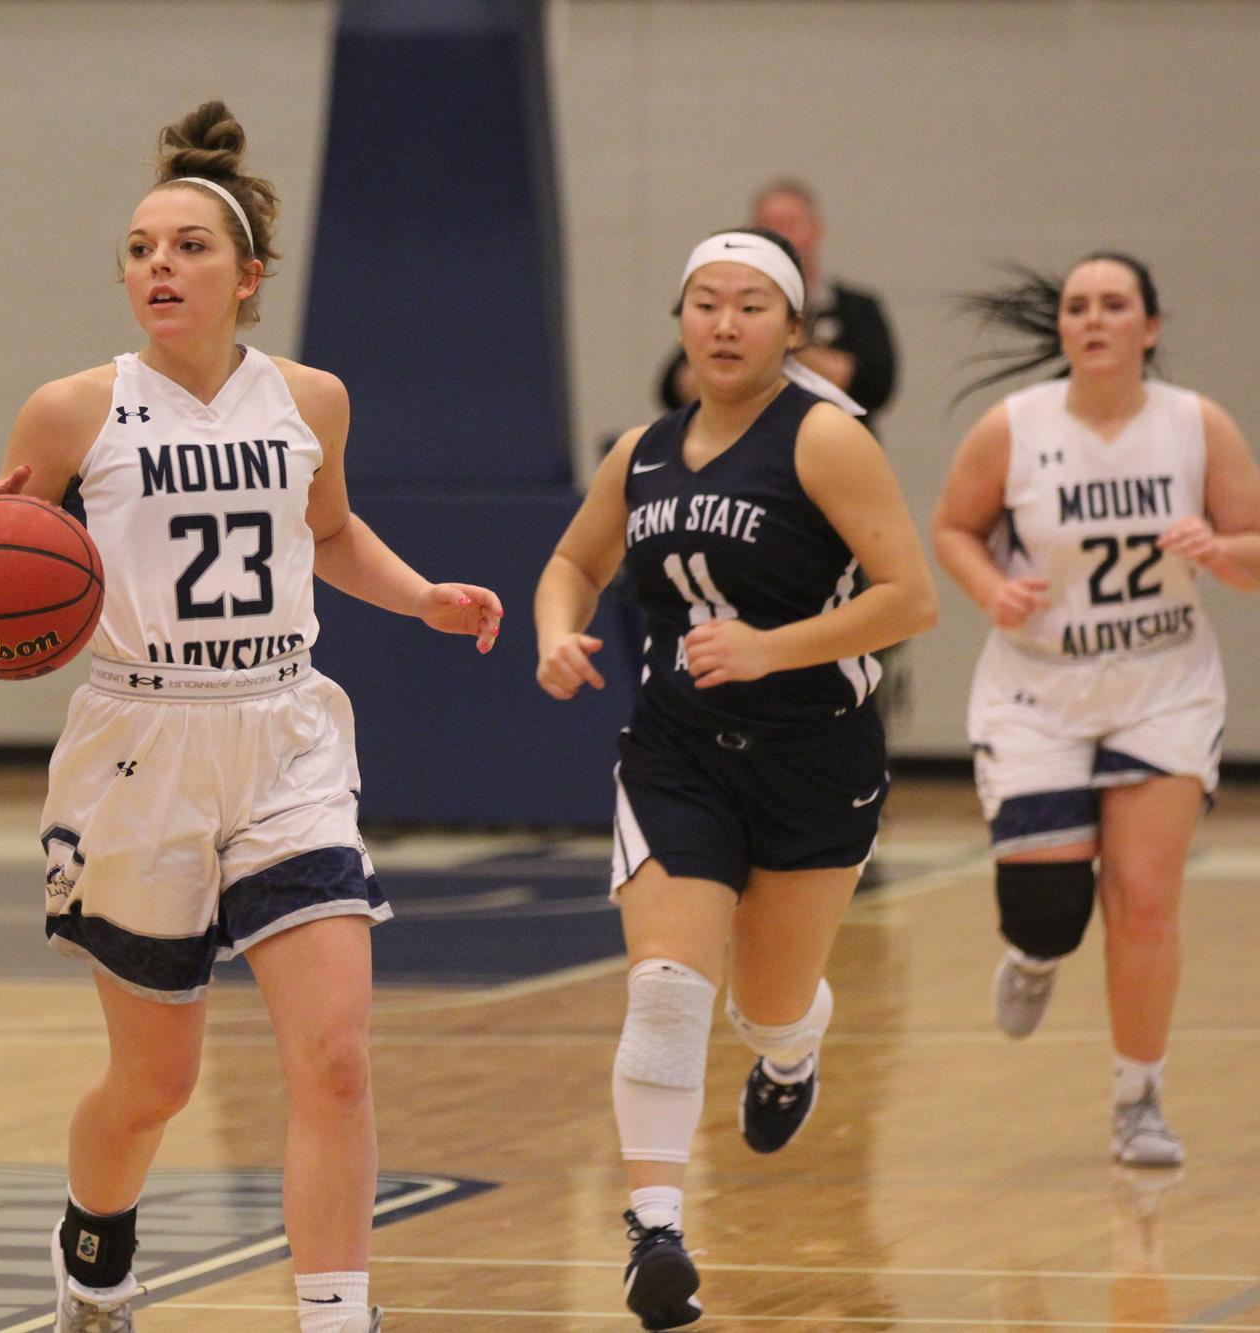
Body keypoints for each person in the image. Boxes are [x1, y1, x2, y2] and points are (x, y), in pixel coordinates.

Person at [0, 101, 502, 1333]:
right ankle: (93, 1240)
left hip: (283, 732)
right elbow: (11, 567)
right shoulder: (70, 411)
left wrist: (421, 597)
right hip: (139, 748)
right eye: (140, 248)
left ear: (246, 277)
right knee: (154, 1085)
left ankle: (335, 1316)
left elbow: (329, 531)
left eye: (188, 246)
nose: (159, 265)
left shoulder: (310, 399)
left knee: (335, 1056)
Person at [534, 229, 937, 1330]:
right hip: (679, 752)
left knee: (765, 1004)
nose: (723, 322)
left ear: (791, 328)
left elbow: (910, 598)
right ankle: (655, 1232)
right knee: (667, 987)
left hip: (814, 755)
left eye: (750, 305)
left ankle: (790, 1049)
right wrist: (556, 631)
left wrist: (771, 647)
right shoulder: (642, 451)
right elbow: (572, 561)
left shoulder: (826, 439)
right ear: (680, 321)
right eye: (705, 302)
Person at [931, 254, 1260, 1167]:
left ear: (1149, 327)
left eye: (1115, 304)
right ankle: (1036, 954)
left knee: (1146, 902)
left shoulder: (1197, 425)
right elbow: (953, 528)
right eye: (1078, 306)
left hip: (1163, 685)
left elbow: (1256, 552)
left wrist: (1220, 547)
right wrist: (991, 588)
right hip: (1040, 688)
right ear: (1063, 328)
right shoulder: (1014, 428)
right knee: (1048, 912)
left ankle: (1138, 1098)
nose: (1094, 318)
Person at [655, 180, 898, 434]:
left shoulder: (857, 307)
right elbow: (672, 388)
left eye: (751, 308)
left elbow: (873, 386)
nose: (726, 327)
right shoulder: (647, 444)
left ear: (817, 229)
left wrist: (782, 342)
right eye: (706, 305)